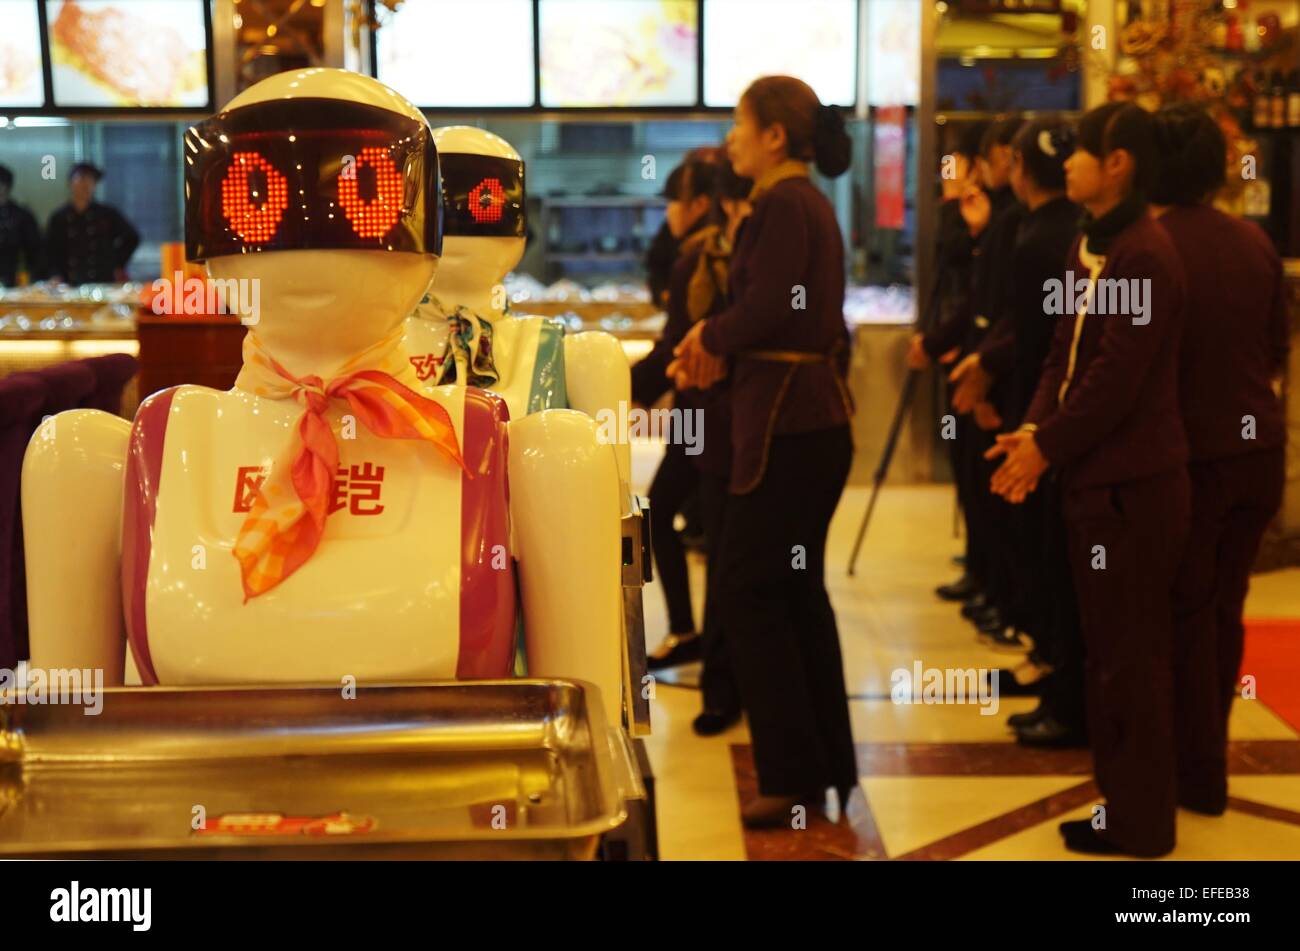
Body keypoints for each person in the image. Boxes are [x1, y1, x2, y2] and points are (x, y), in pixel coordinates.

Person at [988, 102, 1189, 857]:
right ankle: (1119, 804)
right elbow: (1061, 354)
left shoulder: (1145, 254)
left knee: (1131, 659)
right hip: (1092, 479)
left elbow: (1114, 382)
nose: (1066, 162)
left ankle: (1142, 823)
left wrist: (1047, 447)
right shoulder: (1091, 241)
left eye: (1080, 151)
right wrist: (1034, 430)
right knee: (1105, 653)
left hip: (1133, 487)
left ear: (1118, 165)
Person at [670, 75, 856, 828]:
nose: (731, 138)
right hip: (807, 425)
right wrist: (714, 340)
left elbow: (771, 305)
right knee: (795, 591)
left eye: (740, 124)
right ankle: (826, 764)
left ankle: (793, 774)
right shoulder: (800, 202)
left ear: (775, 135)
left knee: (748, 589)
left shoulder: (783, 203)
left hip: (789, 426)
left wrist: (707, 335)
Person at [1152, 105, 1289, 818]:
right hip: (1257, 453)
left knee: (1184, 612)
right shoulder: (1254, 241)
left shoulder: (1152, 248)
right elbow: (1276, 349)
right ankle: (1206, 758)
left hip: (1191, 455)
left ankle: (1194, 770)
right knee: (1224, 608)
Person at [948, 117, 1088, 741]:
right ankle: (1048, 661)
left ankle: (1057, 675)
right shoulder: (1063, 231)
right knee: (1040, 546)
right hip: (1043, 409)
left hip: (1036, 413)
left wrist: (1000, 393)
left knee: (1038, 545)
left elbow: (1038, 341)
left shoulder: (1040, 238)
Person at [912, 116, 1024, 640]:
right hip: (968, 357)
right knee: (971, 479)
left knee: (993, 490)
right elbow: (952, 261)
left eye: (1000, 155)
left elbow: (1002, 305)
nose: (993, 166)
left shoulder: (1017, 219)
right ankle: (984, 574)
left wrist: (979, 360)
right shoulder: (990, 213)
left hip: (992, 368)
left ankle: (1003, 590)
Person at [635, 159, 722, 671]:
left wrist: (627, 387)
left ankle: (694, 634)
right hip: (714, 417)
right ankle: (704, 637)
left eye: (674, 201)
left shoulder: (697, 259)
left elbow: (676, 345)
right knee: (701, 523)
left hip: (703, 418)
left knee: (661, 514)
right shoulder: (717, 252)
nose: (669, 211)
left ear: (700, 204)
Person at [45, 162, 139, 285]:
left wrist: (117, 264)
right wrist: (54, 274)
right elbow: (49, 252)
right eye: (81, 178)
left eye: (91, 180)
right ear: (70, 183)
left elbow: (132, 237)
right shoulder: (59, 217)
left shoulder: (107, 214)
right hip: (68, 284)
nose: (85, 184)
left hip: (102, 282)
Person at [0, 163, 44, 287]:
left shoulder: (22, 216)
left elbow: (36, 252)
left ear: (6, 187)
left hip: (15, 282)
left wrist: (33, 277)